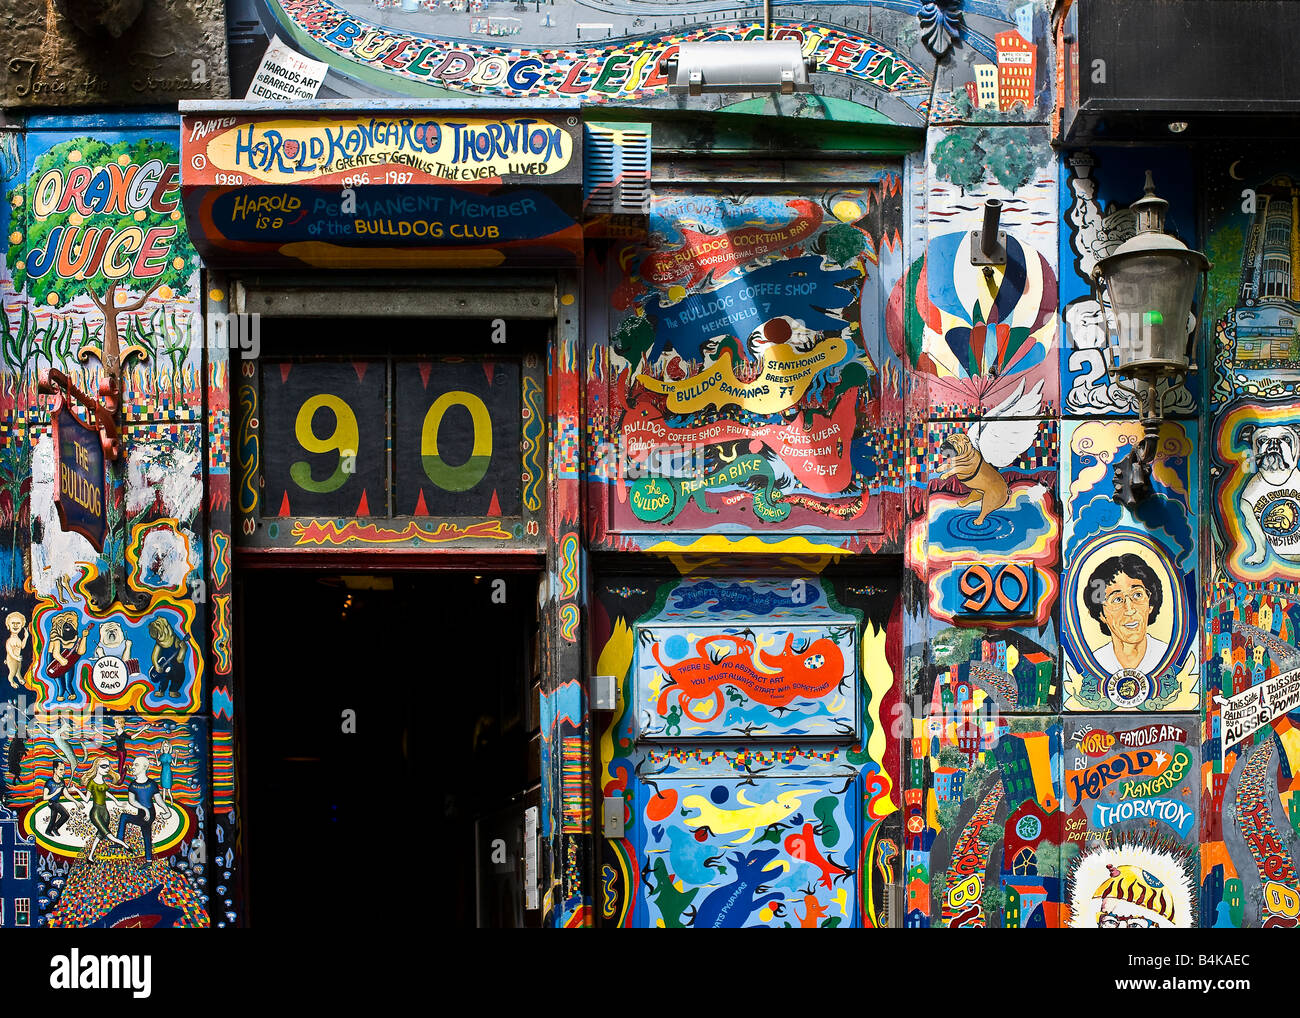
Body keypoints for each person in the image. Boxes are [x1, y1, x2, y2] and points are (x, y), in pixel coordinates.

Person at [1085, 553, 1169, 676]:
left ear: (1150, 604)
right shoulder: (1095, 662)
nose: (1130, 610)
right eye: (1117, 600)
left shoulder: (1165, 655)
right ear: (1101, 614)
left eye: (1137, 595)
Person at [116, 755, 164, 862]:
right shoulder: (132, 785)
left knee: (142, 829)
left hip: (150, 814)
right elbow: (131, 801)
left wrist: (167, 810)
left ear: (145, 767)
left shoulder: (152, 784)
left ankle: (119, 841)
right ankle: (148, 860)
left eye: (136, 765)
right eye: (133, 764)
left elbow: (159, 800)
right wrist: (144, 810)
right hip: (142, 813)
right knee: (146, 834)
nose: (133, 767)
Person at [80, 757, 128, 862]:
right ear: (97, 767)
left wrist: (116, 801)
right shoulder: (92, 782)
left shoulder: (102, 781)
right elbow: (86, 799)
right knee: (108, 834)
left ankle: (90, 857)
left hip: (105, 812)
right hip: (96, 812)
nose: (107, 768)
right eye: (104, 766)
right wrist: (76, 790)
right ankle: (124, 845)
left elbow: (105, 793)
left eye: (108, 766)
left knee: (99, 836)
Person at [44, 611, 91, 704]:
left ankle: (71, 693)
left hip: (68, 659)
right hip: (54, 661)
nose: (67, 625)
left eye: (70, 622)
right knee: (59, 680)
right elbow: (55, 654)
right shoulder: (56, 639)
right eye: (62, 623)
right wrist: (61, 660)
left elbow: (80, 652)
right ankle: (60, 694)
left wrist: (84, 637)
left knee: (68, 681)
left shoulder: (75, 638)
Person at [147, 619, 186, 700]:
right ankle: (162, 690)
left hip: (176, 667)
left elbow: (180, 659)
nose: (158, 638)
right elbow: (154, 656)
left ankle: (173, 690)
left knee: (178, 677)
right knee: (164, 678)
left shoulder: (175, 640)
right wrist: (156, 666)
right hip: (164, 667)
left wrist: (183, 649)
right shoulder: (159, 643)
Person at [42, 759, 73, 837]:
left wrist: (76, 801)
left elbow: (66, 794)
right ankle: (55, 828)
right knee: (66, 815)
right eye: (61, 770)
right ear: (55, 770)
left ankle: (48, 831)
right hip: (52, 802)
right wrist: (55, 792)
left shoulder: (62, 782)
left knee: (53, 818)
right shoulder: (49, 782)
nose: (63, 772)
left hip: (56, 802)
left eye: (64, 770)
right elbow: (45, 797)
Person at [5, 610, 27, 688]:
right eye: (13, 623)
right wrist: (15, 657)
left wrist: (26, 637)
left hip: (18, 658)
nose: (15, 625)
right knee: (12, 672)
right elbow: (10, 651)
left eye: (18, 623)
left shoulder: (18, 639)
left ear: (22, 625)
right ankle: (11, 681)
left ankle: (19, 677)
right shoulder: (9, 640)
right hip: (11, 659)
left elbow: (22, 646)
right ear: (8, 625)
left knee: (18, 669)